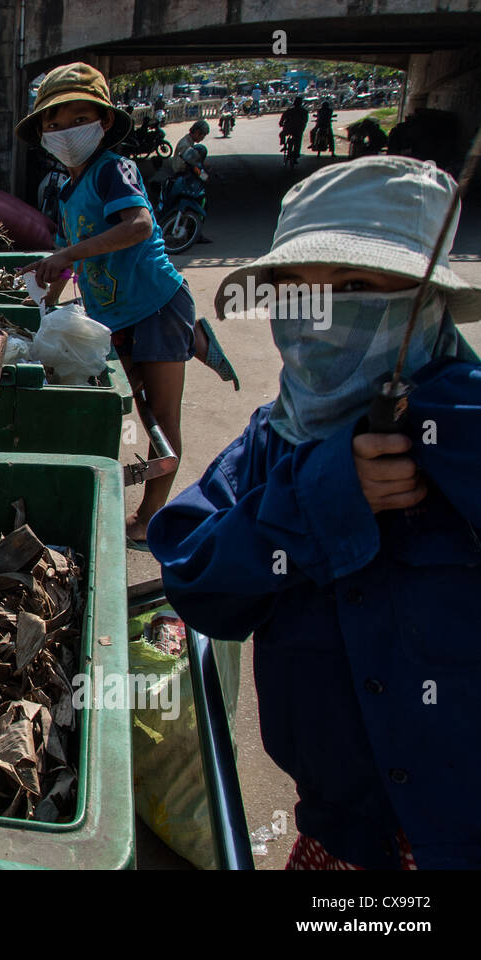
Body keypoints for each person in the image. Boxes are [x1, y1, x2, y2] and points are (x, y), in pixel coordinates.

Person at [148, 156, 481, 870]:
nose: (321, 314)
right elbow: (195, 576)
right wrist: (320, 496)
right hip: (340, 838)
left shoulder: (466, 423)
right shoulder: (275, 441)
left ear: (425, 301)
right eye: (296, 293)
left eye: (356, 287)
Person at [14, 62, 234, 548]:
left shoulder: (115, 170)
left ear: (103, 122)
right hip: (114, 318)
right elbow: (70, 260)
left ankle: (151, 518)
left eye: (77, 118)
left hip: (156, 306)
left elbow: (137, 226)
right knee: (136, 405)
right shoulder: (68, 191)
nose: (65, 131)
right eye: (54, 123)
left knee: (161, 418)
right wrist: (45, 303)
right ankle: (195, 338)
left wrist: (67, 253)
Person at [279, 96, 308, 160]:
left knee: (282, 134)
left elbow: (283, 118)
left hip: (288, 128)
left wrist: (281, 123)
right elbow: (305, 120)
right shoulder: (304, 111)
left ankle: (284, 145)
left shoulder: (290, 110)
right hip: (298, 129)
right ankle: (296, 153)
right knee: (298, 140)